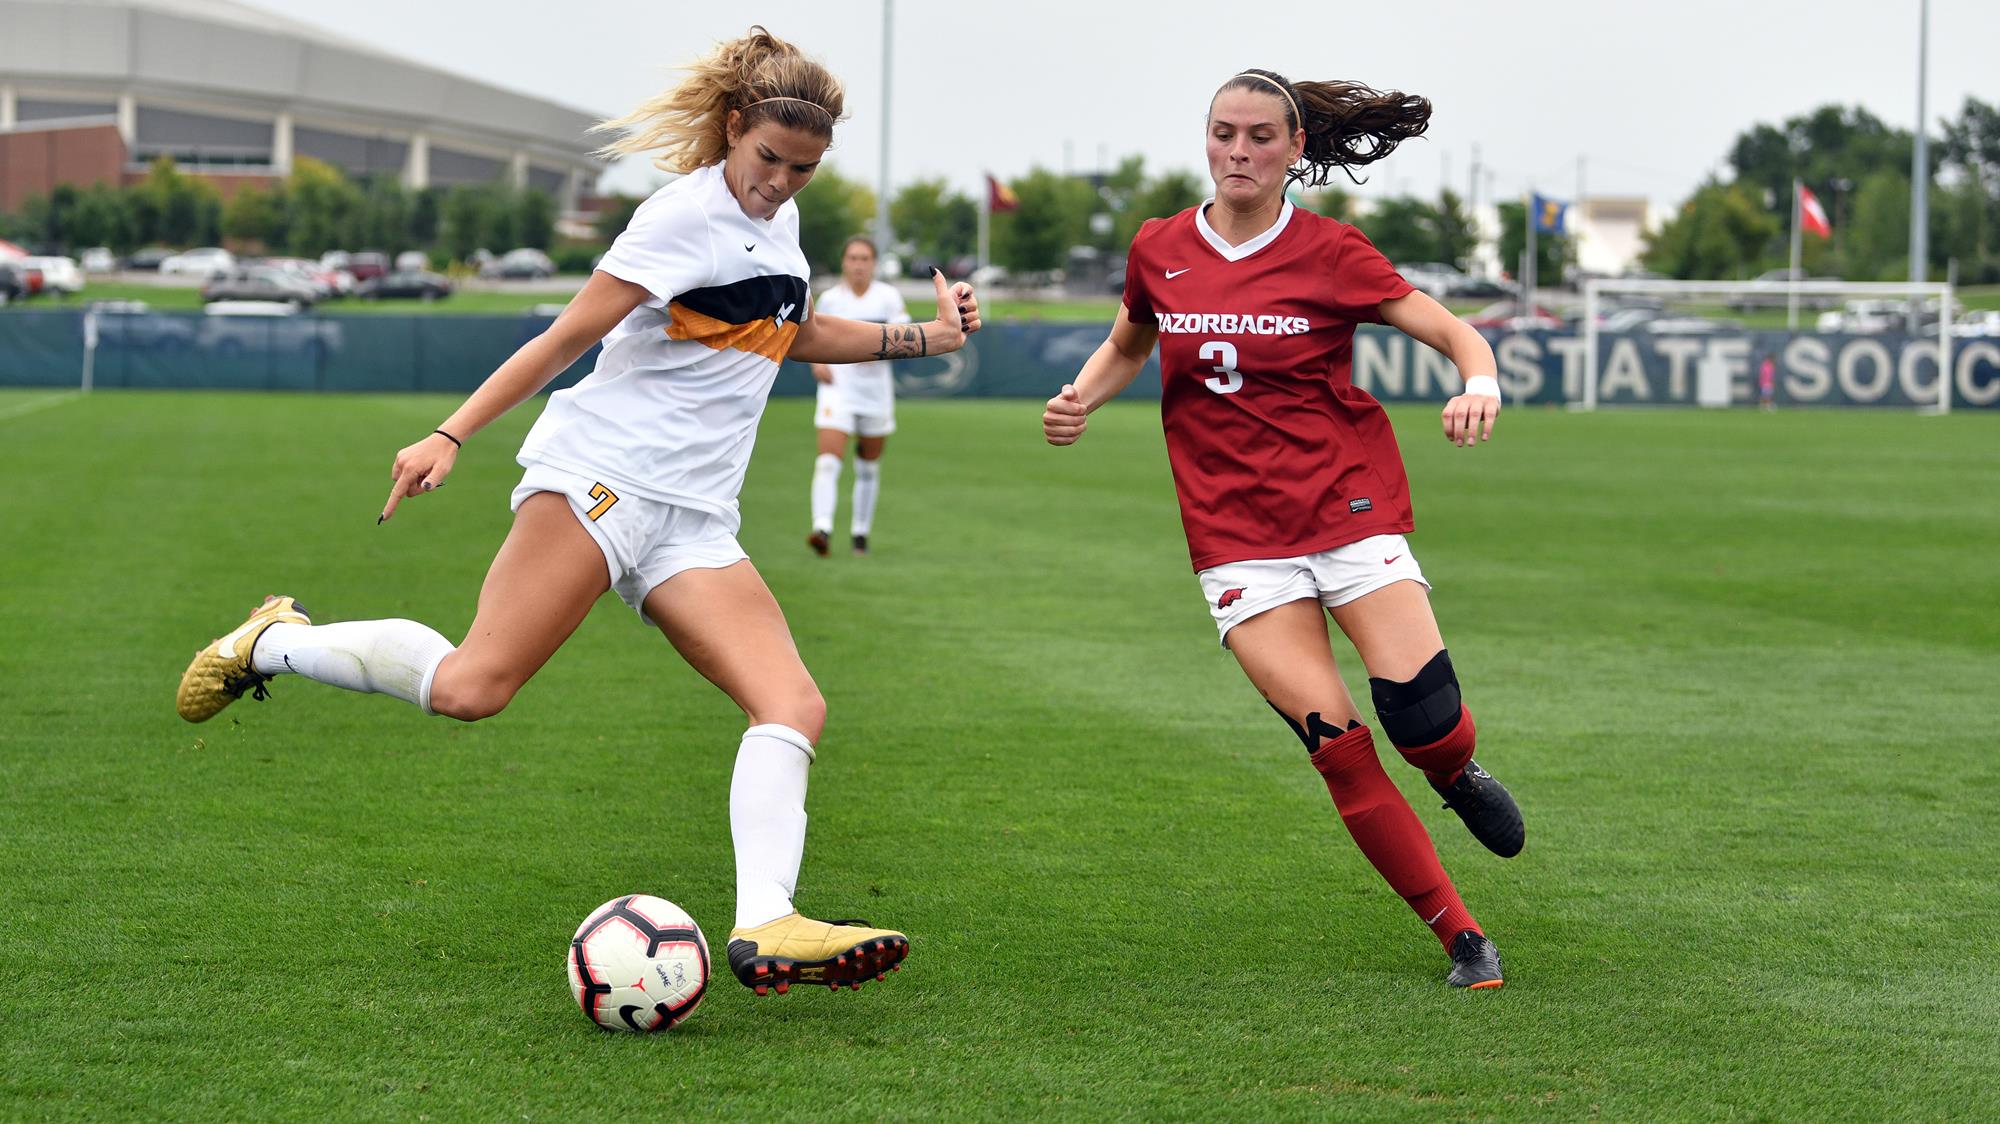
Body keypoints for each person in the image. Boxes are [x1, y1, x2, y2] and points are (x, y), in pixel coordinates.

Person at [175, 27, 979, 998]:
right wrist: (450, 433)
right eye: (768, 159)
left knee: (792, 703)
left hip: (693, 518)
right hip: (598, 477)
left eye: (802, 170)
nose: (779, 182)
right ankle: (269, 641)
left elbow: (791, 329)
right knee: (474, 686)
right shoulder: (677, 218)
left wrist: (923, 336)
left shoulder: (778, 228)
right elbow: (563, 338)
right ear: (733, 130)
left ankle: (766, 919)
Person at [1041, 69, 1522, 989]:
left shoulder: (1333, 251)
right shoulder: (1158, 248)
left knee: (1423, 725)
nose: (1239, 152)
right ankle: (1461, 935)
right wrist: (1082, 399)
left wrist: (1481, 383)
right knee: (1338, 748)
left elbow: (1457, 334)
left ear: (1296, 150)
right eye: (1224, 133)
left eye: (1261, 137)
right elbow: (1130, 342)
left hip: (1348, 513)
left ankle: (1456, 774)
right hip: (1234, 540)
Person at [806, 235, 910, 556]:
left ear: (874, 264)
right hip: (838, 390)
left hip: (875, 393)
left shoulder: (888, 298)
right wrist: (817, 362)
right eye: (853, 258)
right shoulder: (831, 300)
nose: (858, 265)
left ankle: (860, 533)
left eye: (865, 259)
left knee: (867, 466)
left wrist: (872, 350)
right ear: (844, 262)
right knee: (827, 461)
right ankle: (822, 527)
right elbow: (810, 337)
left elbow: (904, 340)